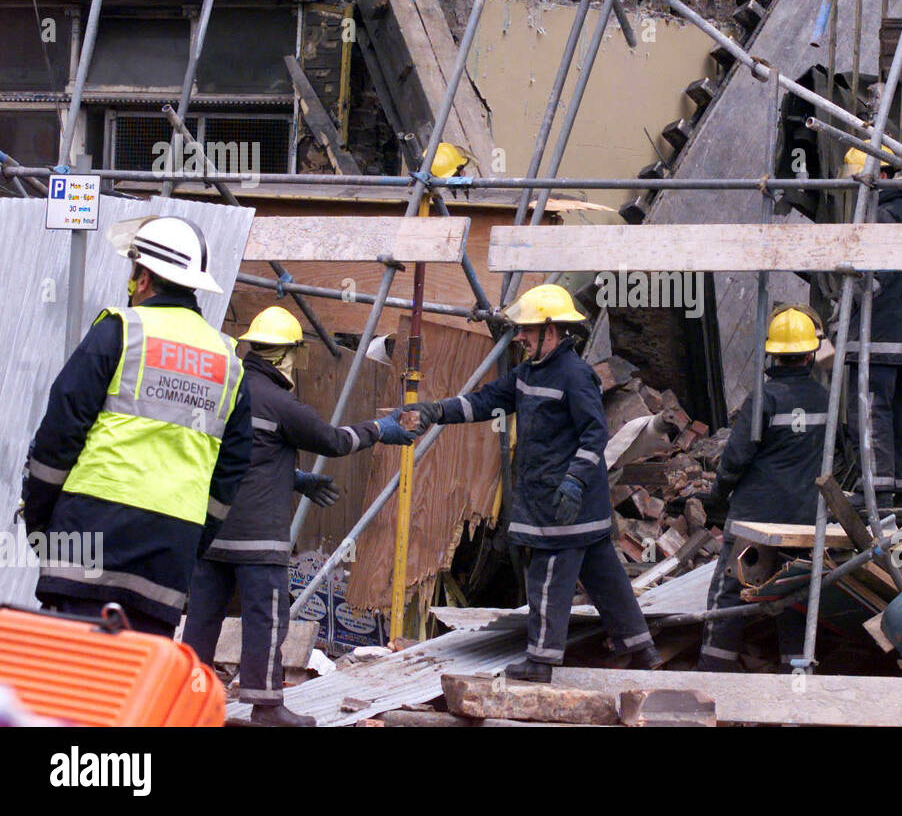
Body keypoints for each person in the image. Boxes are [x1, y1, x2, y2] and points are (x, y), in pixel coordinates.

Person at [405, 284, 659, 683]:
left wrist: (574, 481)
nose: (519, 337)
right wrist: (437, 411)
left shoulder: (577, 377)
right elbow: (485, 401)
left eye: (526, 330)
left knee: (546, 581)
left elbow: (594, 436)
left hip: (564, 508)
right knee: (607, 580)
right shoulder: (528, 374)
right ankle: (642, 649)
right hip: (567, 507)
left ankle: (540, 662)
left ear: (551, 331)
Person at [181, 305, 415, 726]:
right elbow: (332, 440)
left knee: (202, 616)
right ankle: (267, 707)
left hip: (212, 532)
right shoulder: (280, 403)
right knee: (266, 618)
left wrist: (291, 476)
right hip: (259, 539)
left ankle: (185, 698)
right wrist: (380, 430)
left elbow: (239, 458)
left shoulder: (222, 392)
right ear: (287, 355)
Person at [21, 216, 252, 637]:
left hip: (88, 535)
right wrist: (191, 541)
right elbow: (230, 474)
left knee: (65, 678)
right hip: (168, 549)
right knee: (134, 686)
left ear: (143, 277)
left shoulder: (120, 331)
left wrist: (39, 523)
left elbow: (60, 431)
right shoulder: (229, 364)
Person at [697, 307, 829, 672]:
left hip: (754, 519)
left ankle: (712, 675)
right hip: (802, 520)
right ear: (809, 353)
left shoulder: (764, 398)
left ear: (773, 353)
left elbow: (735, 460)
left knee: (729, 595)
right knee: (793, 595)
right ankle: (796, 677)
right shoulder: (823, 399)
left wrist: (717, 498)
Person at [840, 149, 902, 508]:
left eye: (862, 182)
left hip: (876, 336)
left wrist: (845, 276)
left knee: (870, 409)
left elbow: (873, 281)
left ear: (884, 177)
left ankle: (876, 490)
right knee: (901, 412)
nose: (860, 191)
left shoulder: (880, 217)